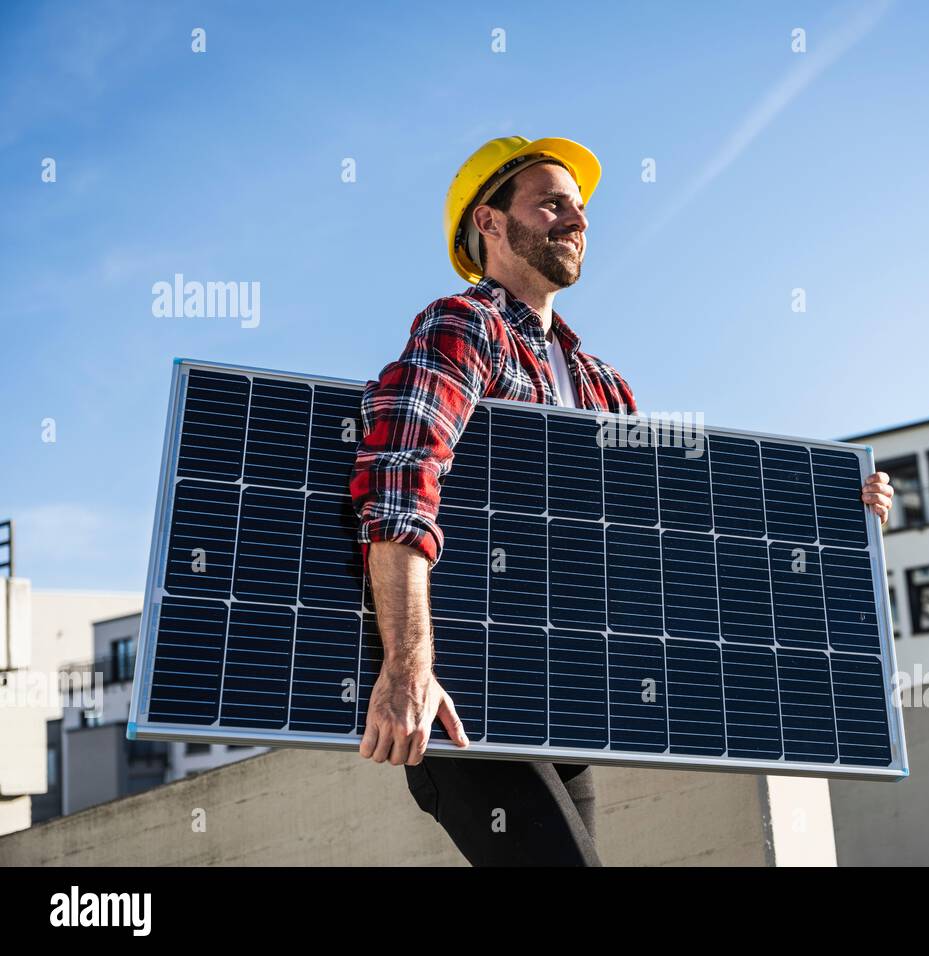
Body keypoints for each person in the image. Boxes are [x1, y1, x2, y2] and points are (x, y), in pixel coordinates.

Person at [349, 135, 895, 866]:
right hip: (464, 698)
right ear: (489, 222)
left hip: (566, 697)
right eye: (550, 203)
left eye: (578, 208)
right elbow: (401, 473)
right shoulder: (465, 327)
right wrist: (408, 666)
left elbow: (667, 527)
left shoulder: (603, 382)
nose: (575, 220)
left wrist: (825, 506)